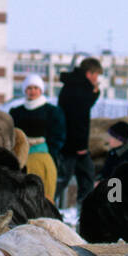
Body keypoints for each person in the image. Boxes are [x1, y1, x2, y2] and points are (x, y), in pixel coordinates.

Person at [8, 73, 65, 203]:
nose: (32, 91)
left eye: (35, 88)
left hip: (43, 158)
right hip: (21, 160)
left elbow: (58, 135)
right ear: (24, 90)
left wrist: (49, 151)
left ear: (41, 90)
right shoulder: (16, 112)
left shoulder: (52, 111)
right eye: (29, 88)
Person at [55, 57, 102, 207]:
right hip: (72, 148)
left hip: (70, 145)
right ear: (89, 73)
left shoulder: (73, 86)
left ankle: (84, 215)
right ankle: (42, 210)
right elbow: (77, 120)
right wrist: (80, 147)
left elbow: (85, 105)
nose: (97, 79)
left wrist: (94, 92)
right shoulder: (79, 89)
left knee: (85, 181)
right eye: (96, 75)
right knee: (62, 182)